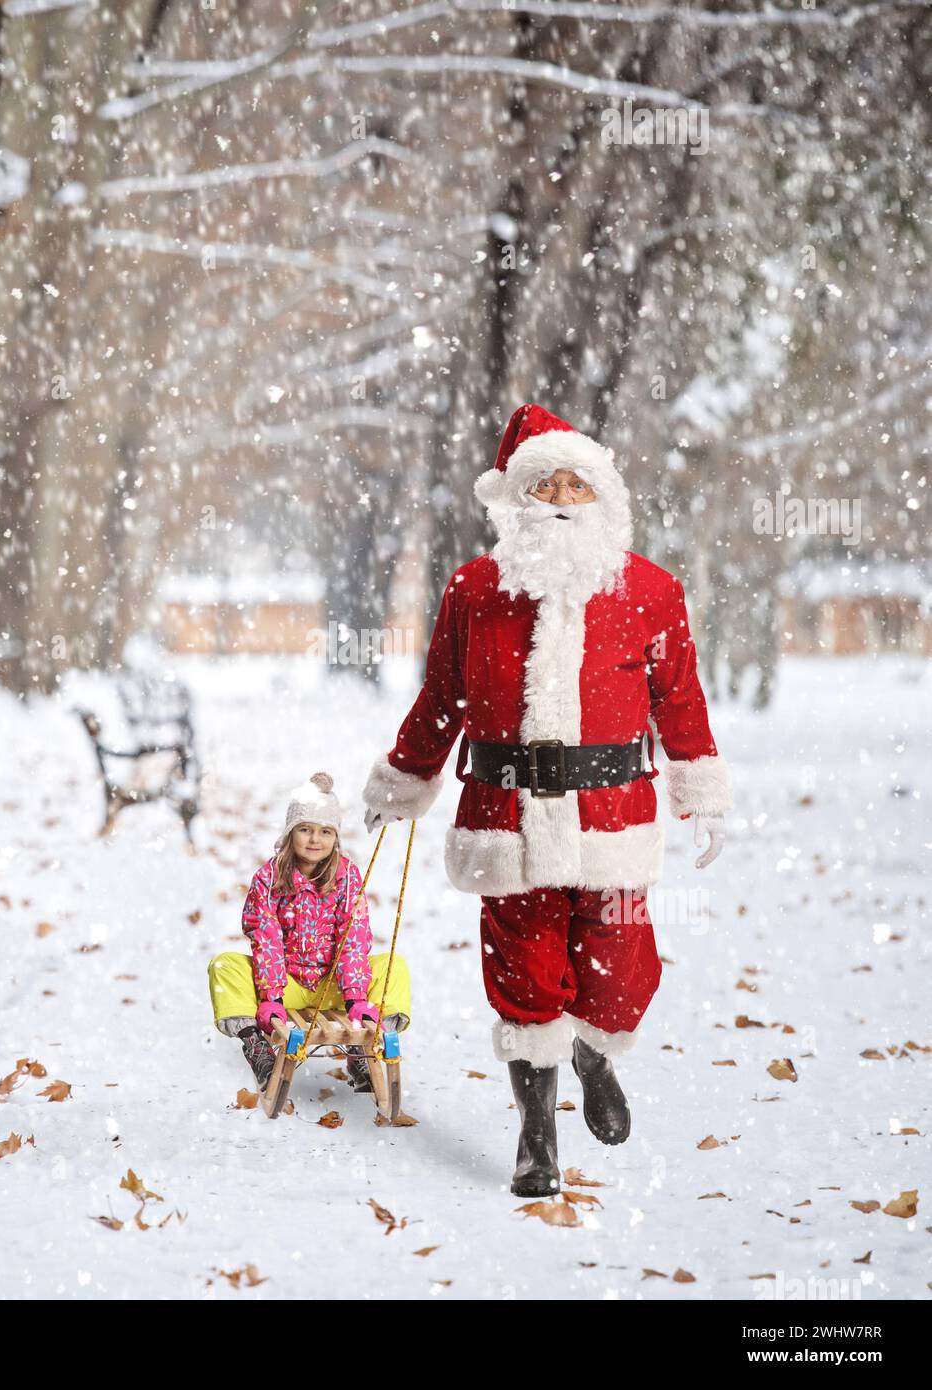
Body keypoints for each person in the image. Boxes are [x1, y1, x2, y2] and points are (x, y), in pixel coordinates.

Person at [362, 404, 731, 1197]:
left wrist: (700, 784)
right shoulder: (474, 589)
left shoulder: (650, 591)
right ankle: (537, 1132)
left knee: (621, 974)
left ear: (604, 498)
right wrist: (404, 778)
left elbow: (679, 697)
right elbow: (441, 696)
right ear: (515, 500)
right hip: (506, 811)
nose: (561, 497)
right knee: (524, 974)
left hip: (613, 813)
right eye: (542, 484)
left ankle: (597, 1052)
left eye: (577, 483)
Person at [208, 772, 411, 1093]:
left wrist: (356, 997)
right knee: (225, 965)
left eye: (325, 831)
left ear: (336, 838)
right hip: (286, 985)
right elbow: (266, 937)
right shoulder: (269, 878)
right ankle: (255, 1046)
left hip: (336, 986)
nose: (315, 840)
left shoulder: (346, 878)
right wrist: (272, 996)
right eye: (305, 830)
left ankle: (365, 1047)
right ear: (290, 834)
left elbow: (353, 939)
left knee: (392, 966)